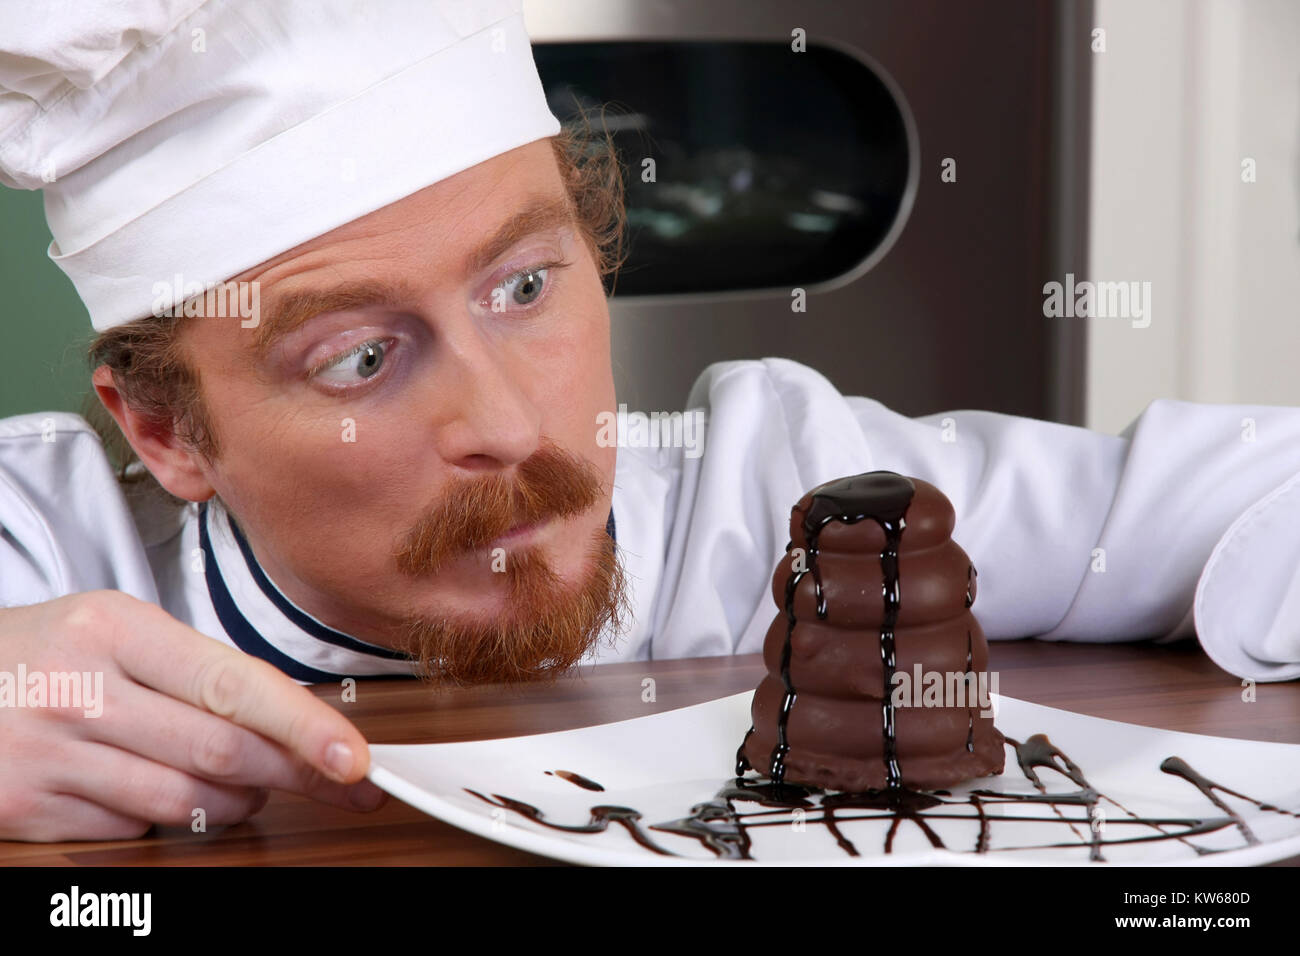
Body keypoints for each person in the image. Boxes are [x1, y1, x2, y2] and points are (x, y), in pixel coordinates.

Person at [1, 1, 1297, 844]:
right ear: (169, 435)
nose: (508, 427)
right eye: (359, 358)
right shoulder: (40, 546)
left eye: (523, 286)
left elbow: (1251, 494)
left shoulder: (776, 488)